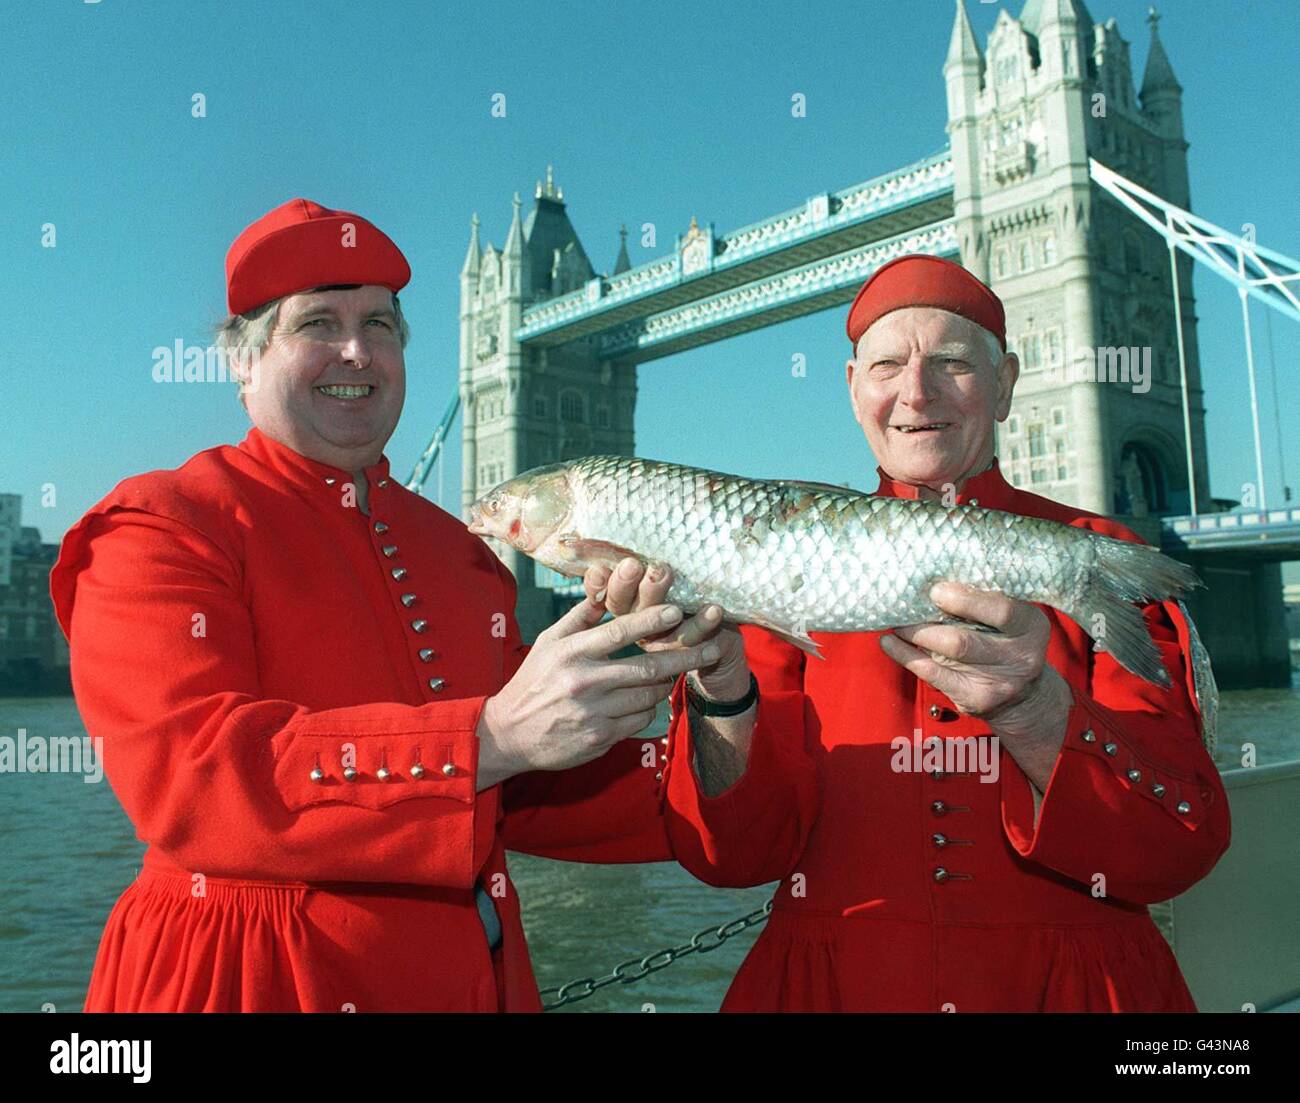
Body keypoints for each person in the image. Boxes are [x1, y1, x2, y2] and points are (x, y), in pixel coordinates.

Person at [49, 197, 731, 1012]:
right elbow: (196, 779)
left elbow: (568, 790)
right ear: (243, 360)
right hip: (245, 983)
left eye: (380, 325)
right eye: (317, 323)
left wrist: (722, 694)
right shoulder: (160, 527)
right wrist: (490, 736)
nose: (356, 351)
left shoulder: (465, 557)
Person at [588, 254, 1231, 1012]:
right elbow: (734, 856)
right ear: (854, 388)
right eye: (888, 364)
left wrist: (1038, 715)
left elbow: (1180, 844)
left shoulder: (1102, 561)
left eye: (953, 362)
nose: (916, 392)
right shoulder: (770, 577)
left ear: (1007, 385)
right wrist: (719, 689)